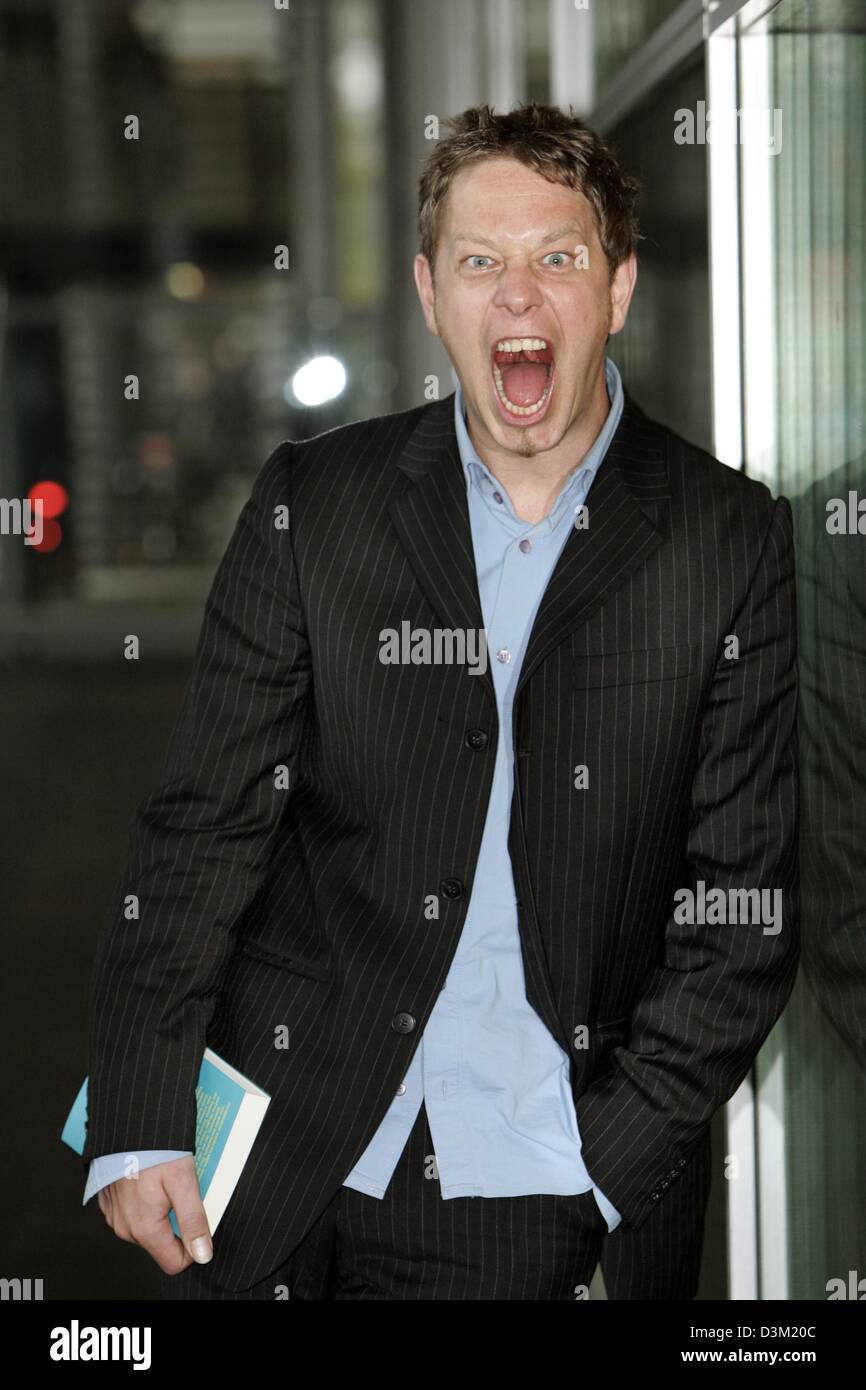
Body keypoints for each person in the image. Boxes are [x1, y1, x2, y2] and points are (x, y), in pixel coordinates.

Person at [81, 102, 799, 1300]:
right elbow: (204, 822)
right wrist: (141, 1110)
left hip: (543, 1190)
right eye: (479, 261)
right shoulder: (316, 504)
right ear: (429, 292)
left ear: (616, 288)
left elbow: (742, 914)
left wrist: (604, 1170)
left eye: (555, 258)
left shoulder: (726, 538)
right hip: (280, 1171)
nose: (517, 299)